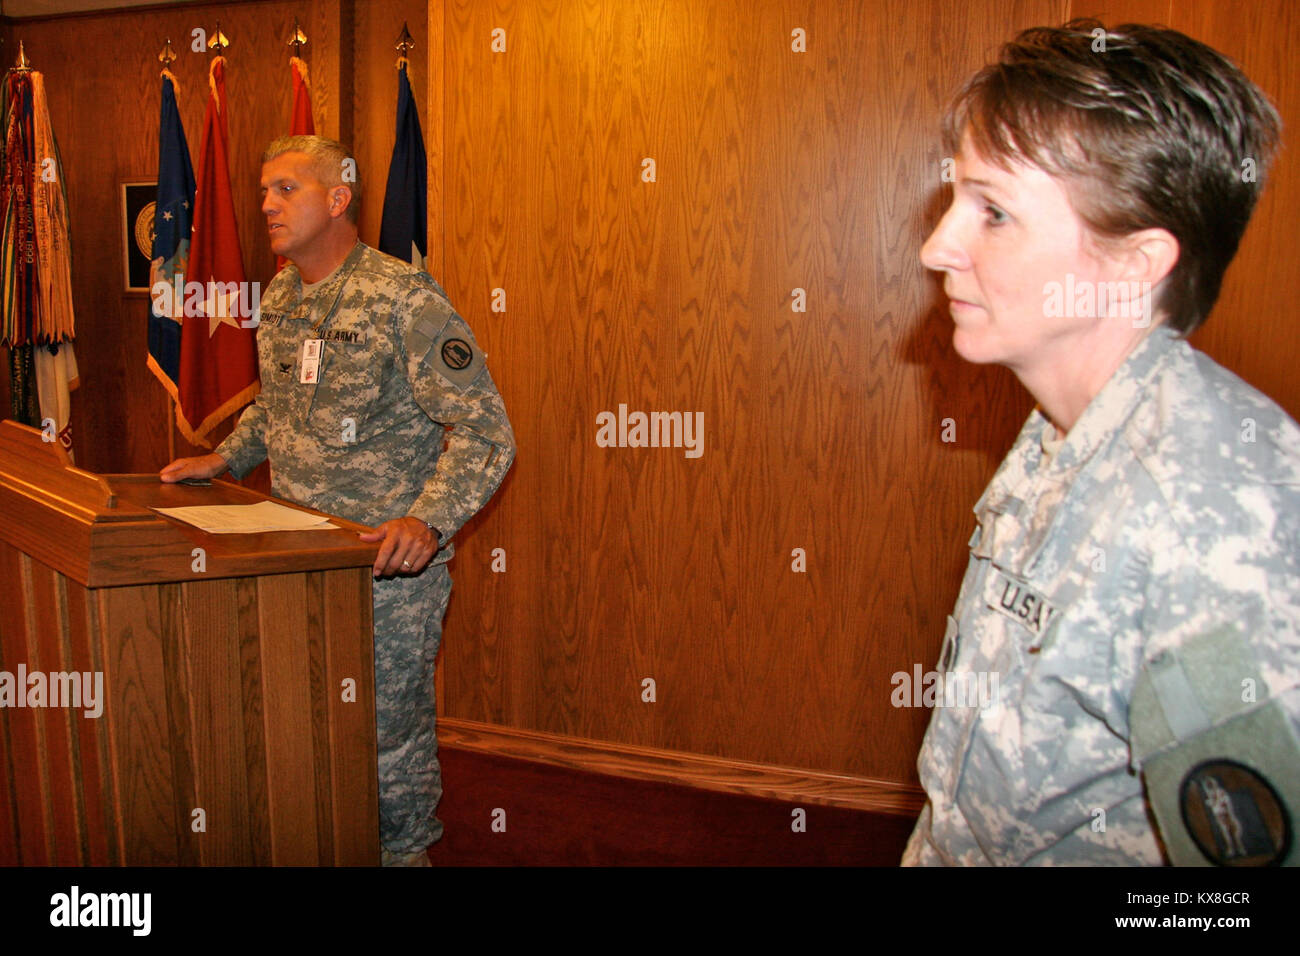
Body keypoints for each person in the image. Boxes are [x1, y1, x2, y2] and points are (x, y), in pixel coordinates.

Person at [904, 20, 1300, 865]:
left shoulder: (1215, 518)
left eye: (995, 212)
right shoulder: (1063, 424)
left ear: (1134, 262)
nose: (939, 247)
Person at [161, 135, 516, 867]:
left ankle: (404, 856)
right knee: (303, 726)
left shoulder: (405, 298)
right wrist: (226, 455)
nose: (265, 205)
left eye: (286, 189)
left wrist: (428, 519)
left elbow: (486, 430)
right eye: (263, 191)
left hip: (386, 575)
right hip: (297, 562)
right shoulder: (283, 294)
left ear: (337, 199)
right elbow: (278, 408)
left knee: (387, 737)